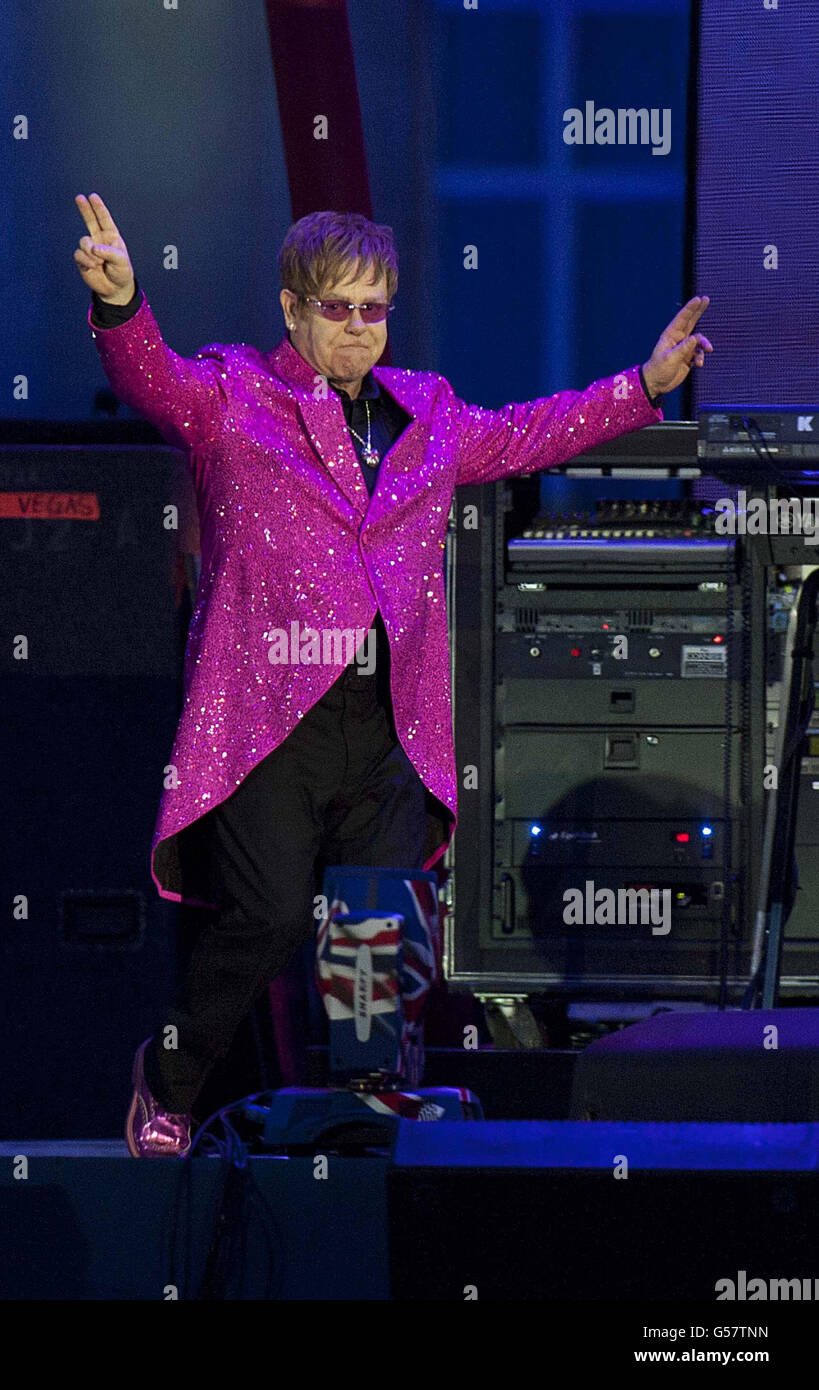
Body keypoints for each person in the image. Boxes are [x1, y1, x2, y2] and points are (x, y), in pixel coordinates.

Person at [73, 192, 712, 1157]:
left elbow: (531, 432)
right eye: (338, 308)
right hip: (269, 712)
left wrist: (641, 385)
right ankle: (168, 1080)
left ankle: (368, 1099)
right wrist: (123, 306)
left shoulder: (429, 411)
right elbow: (150, 378)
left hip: (393, 717)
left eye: (375, 309)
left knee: (375, 919)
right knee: (272, 913)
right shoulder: (234, 393)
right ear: (291, 308)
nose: (359, 330)